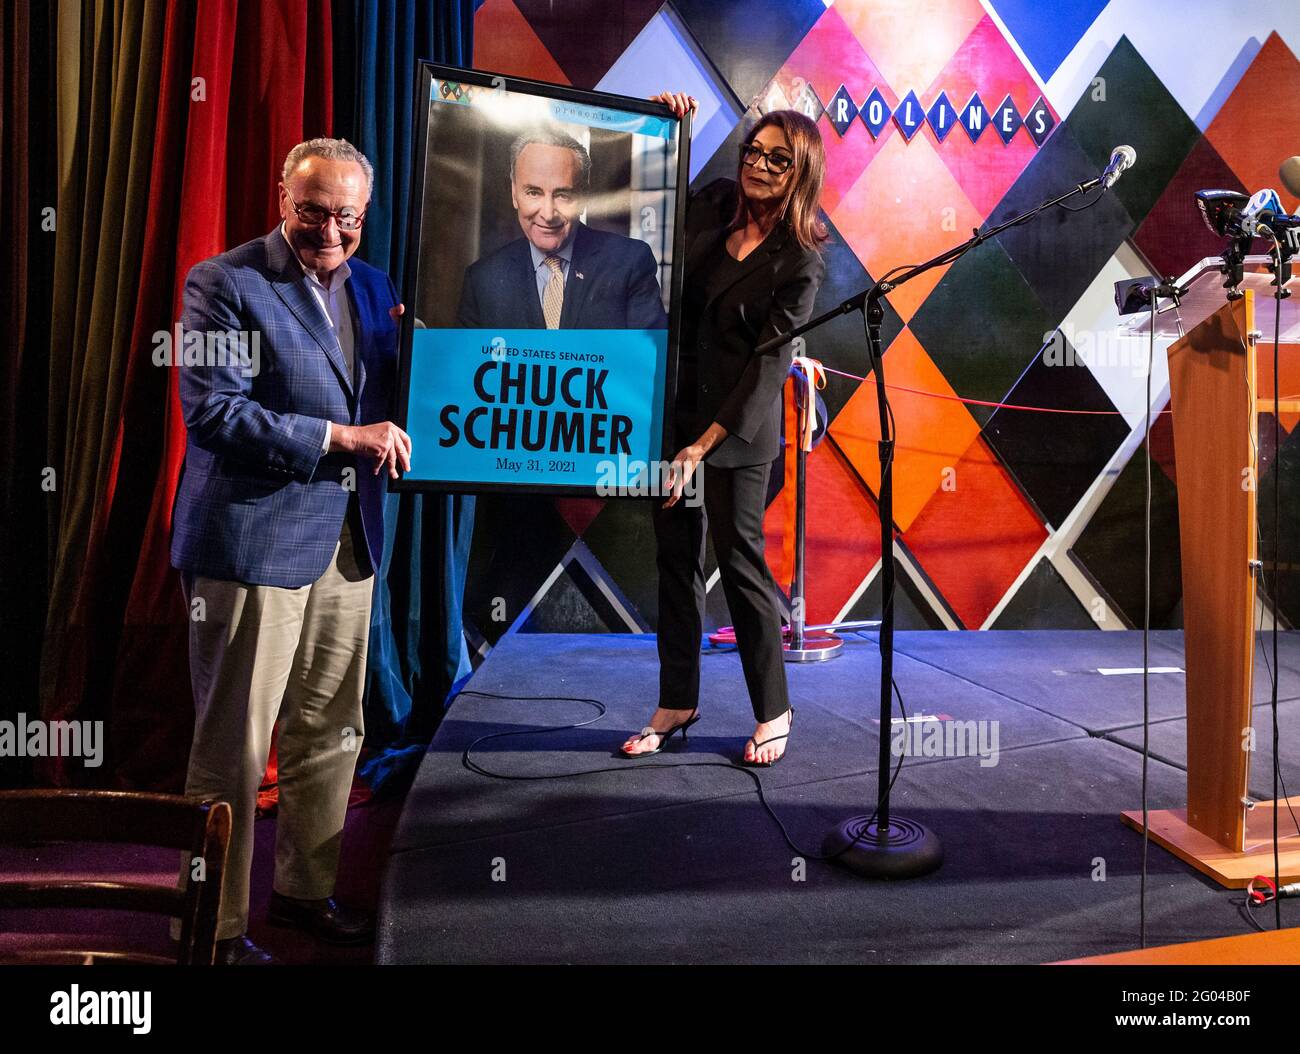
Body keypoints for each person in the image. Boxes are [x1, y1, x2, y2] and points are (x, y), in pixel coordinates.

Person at [170, 137, 410, 965]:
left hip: (350, 548)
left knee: (331, 730)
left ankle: (306, 893)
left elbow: (402, 395)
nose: (331, 231)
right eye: (314, 212)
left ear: (364, 212)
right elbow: (214, 414)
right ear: (283, 198)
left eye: (347, 215)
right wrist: (340, 436)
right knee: (234, 745)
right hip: (248, 546)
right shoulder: (223, 282)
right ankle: (212, 930)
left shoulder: (377, 290)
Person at [620, 99, 827, 766]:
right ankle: (677, 699)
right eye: (753, 152)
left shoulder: (800, 261)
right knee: (676, 559)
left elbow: (770, 365)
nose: (758, 165)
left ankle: (775, 708)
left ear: (801, 174)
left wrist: (702, 445)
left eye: (777, 158)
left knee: (740, 561)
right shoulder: (712, 203)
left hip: (738, 429)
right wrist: (666, 130)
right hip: (674, 410)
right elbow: (644, 215)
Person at [456, 125, 668, 330]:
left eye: (562, 195)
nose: (548, 215)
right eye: (533, 192)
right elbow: (467, 364)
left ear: (584, 197)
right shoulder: (482, 279)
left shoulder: (630, 263)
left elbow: (649, 361)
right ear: (514, 193)